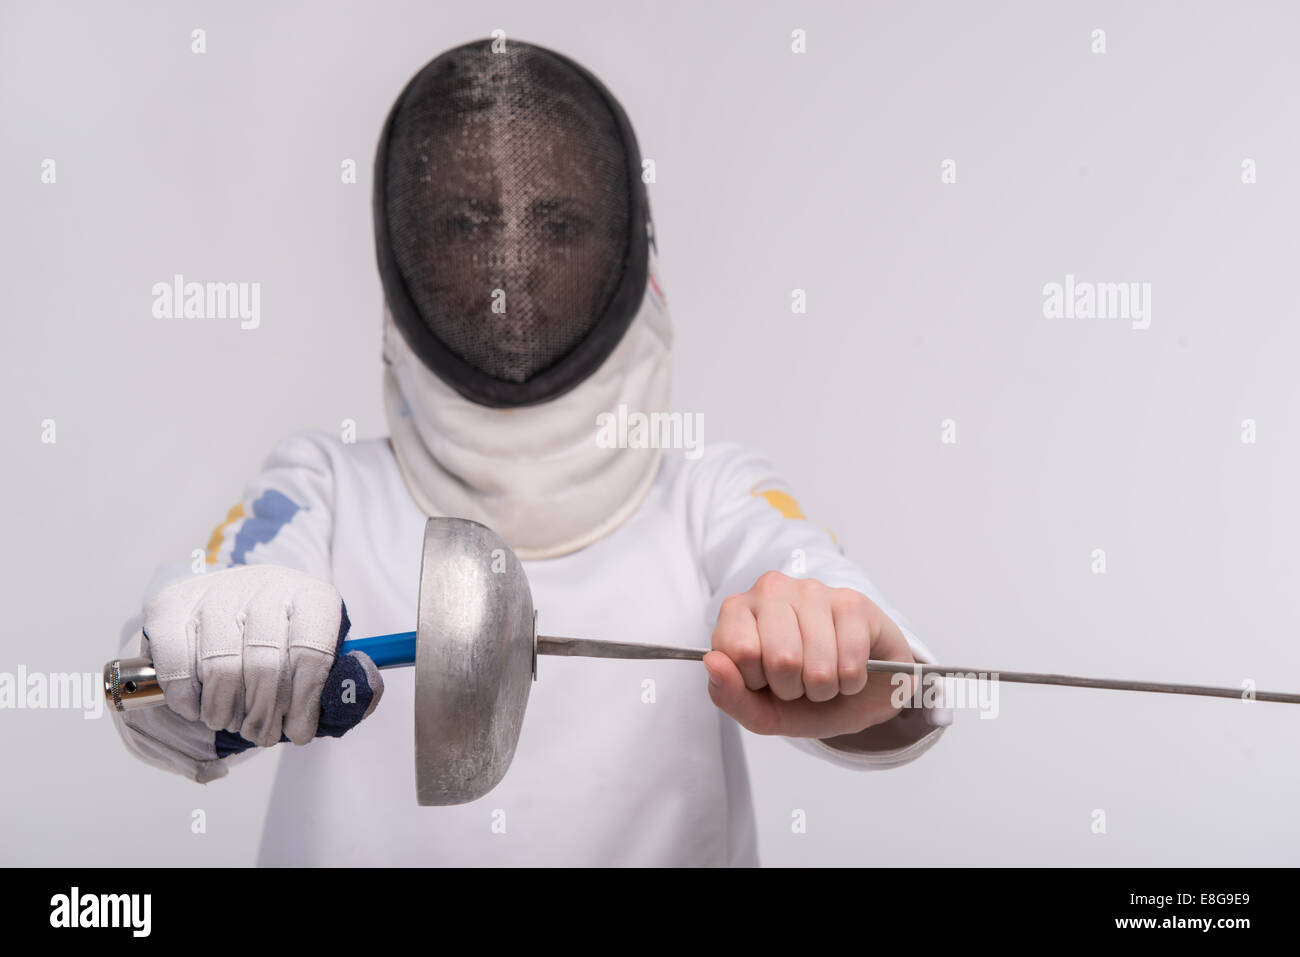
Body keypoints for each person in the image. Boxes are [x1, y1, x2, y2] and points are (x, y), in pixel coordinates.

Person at [111, 37, 951, 866]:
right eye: (467, 222)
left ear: (628, 252)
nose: (511, 263)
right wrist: (209, 647)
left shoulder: (710, 496)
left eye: (560, 223)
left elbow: (874, 655)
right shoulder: (324, 487)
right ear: (405, 255)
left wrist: (845, 648)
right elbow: (190, 637)